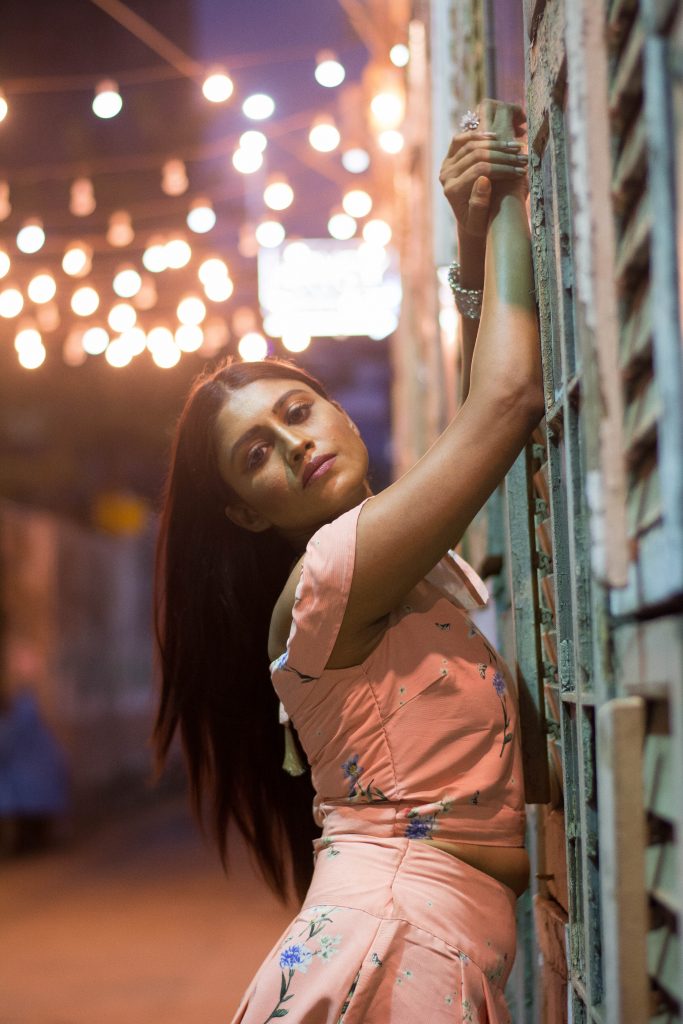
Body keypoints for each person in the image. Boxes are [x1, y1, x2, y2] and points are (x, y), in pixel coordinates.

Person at [154, 98, 543, 1024]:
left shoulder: (409, 562)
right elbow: (505, 403)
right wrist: (521, 187)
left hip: (420, 952)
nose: (290, 445)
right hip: (398, 955)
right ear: (247, 515)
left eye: (297, 412)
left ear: (336, 410)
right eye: (255, 455)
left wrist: (473, 226)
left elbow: (473, 426)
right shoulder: (331, 576)